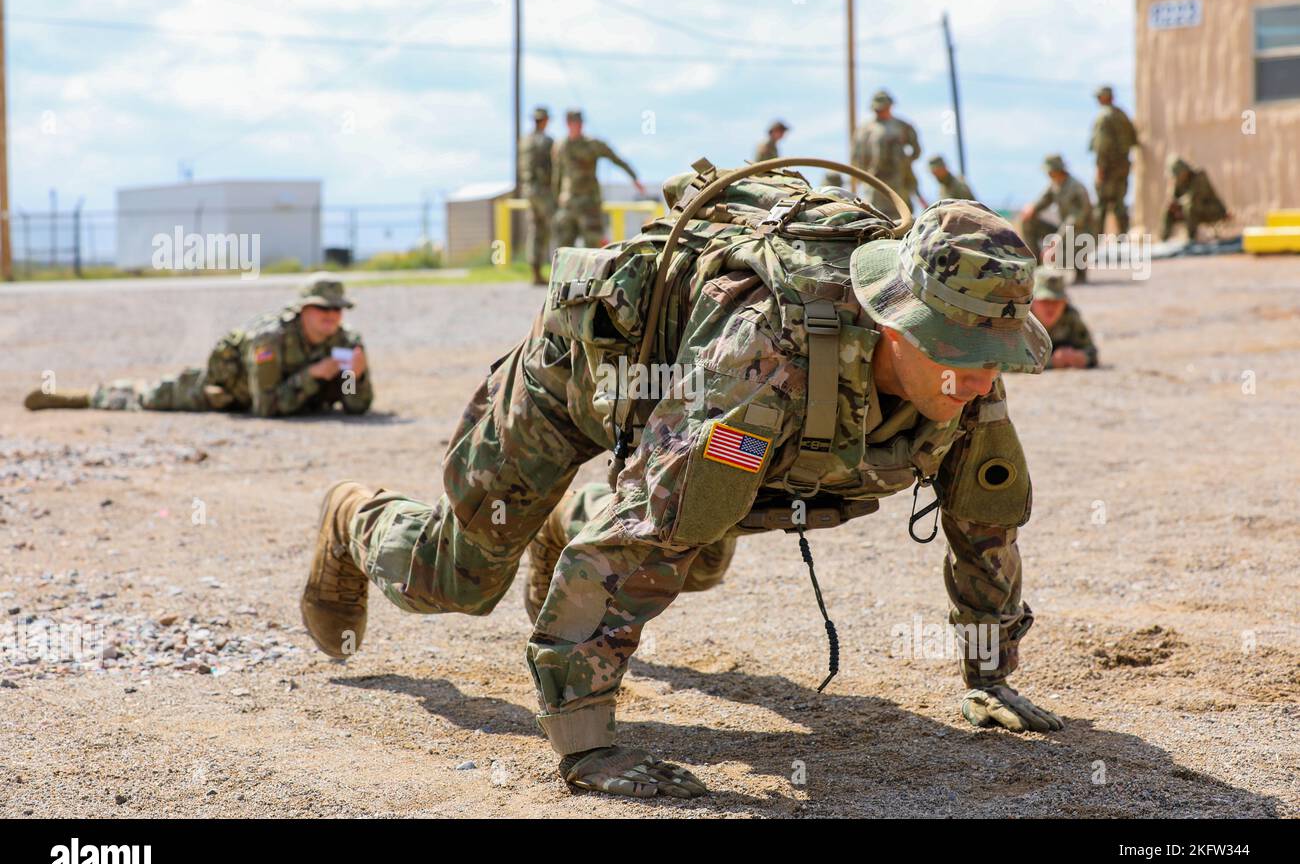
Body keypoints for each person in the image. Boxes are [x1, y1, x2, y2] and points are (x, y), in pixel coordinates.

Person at [299, 174, 1062, 800]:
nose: (979, 375)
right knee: (455, 581)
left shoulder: (964, 380)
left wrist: (990, 673)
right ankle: (354, 519)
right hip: (577, 380)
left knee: (697, 556)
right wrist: (587, 748)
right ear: (895, 322)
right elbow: (638, 541)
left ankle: (569, 522)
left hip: (695, 420)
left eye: (994, 355)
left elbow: (984, 516)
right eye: (957, 351)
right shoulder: (767, 361)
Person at [24, 275, 372, 417]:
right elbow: (264, 407)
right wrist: (314, 374)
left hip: (291, 401)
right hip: (228, 392)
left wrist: (351, 379)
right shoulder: (269, 341)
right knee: (149, 396)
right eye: (323, 309)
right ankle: (83, 397)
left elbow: (358, 407)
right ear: (303, 310)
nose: (331, 316)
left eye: (337, 309)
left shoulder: (347, 341)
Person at [551, 109, 645, 248]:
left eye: (579, 123)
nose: (577, 126)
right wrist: (557, 199)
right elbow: (557, 174)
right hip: (568, 203)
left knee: (593, 246)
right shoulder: (560, 146)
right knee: (563, 247)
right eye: (574, 123)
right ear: (567, 124)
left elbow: (615, 158)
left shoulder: (592, 144)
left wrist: (634, 177)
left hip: (590, 204)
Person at [1019, 154, 1094, 282]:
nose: (1048, 175)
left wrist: (1056, 240)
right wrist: (1030, 209)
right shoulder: (1054, 185)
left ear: (1058, 170)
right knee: (1028, 221)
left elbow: (1076, 219)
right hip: (1063, 231)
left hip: (1079, 234)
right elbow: (1042, 202)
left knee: (1063, 252)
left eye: (1050, 171)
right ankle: (1037, 268)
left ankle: (1079, 269)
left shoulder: (1077, 188)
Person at [852, 89, 922, 218]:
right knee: (873, 213)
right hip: (874, 179)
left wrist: (905, 162)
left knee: (902, 213)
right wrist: (863, 175)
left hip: (898, 179)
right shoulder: (864, 130)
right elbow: (856, 158)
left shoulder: (902, 126)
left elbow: (916, 150)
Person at [1088, 86, 1139, 235]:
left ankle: (1095, 241)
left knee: (1101, 205)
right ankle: (1122, 238)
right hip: (1122, 166)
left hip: (1108, 168)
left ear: (1105, 97)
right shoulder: (1122, 115)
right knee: (1120, 204)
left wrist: (1100, 169)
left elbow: (1102, 146)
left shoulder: (1104, 117)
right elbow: (1133, 139)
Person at [1030, 268, 1097, 369]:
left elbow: (1091, 352)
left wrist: (1080, 357)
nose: (1050, 307)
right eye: (1045, 301)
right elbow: (1007, 362)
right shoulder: (1020, 321)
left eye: (1056, 301)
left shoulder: (1070, 317)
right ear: (1031, 301)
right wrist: (1052, 362)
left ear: (1065, 302)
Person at [518, 105, 555, 285]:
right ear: (545, 120)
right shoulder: (546, 141)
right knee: (552, 228)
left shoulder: (525, 141)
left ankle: (535, 272)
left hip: (528, 190)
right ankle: (561, 270)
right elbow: (551, 167)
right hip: (543, 190)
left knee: (535, 230)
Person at [1162, 155, 1227, 243]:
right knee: (1169, 210)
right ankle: (1164, 239)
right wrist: (1173, 206)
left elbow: (1194, 198)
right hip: (1192, 210)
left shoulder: (1200, 176)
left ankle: (1191, 239)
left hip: (1212, 210)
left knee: (1190, 207)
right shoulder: (1178, 182)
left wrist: (1179, 204)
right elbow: (1173, 199)